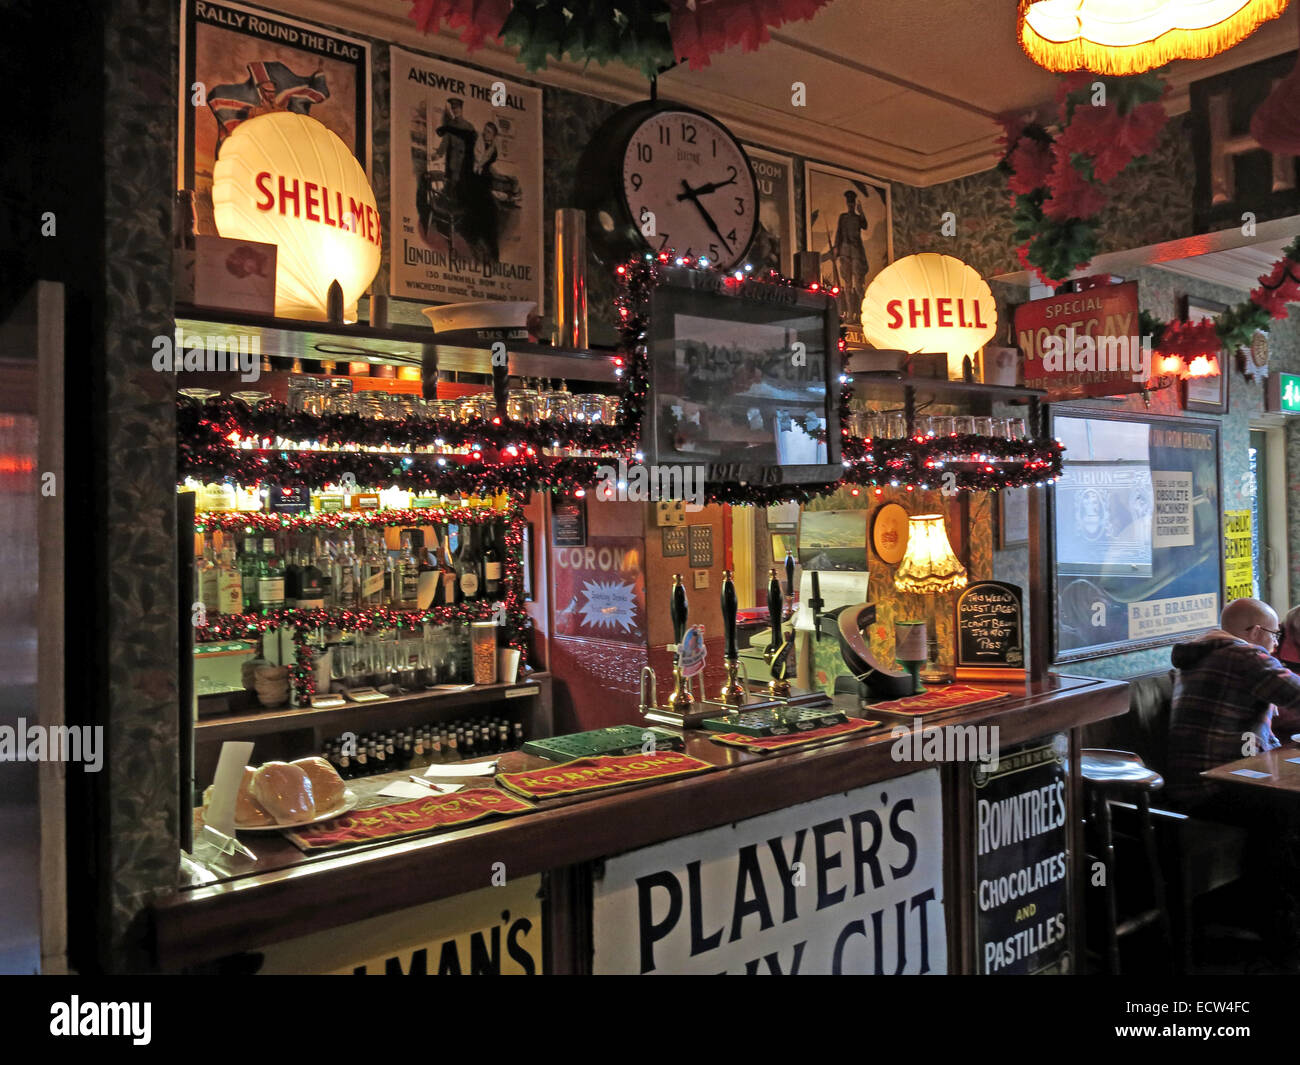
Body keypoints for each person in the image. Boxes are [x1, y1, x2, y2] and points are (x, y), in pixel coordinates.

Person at [1167, 597, 1300, 963]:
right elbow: (1295, 694)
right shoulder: (1243, 655)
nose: (1276, 643)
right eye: (1274, 635)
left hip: (1193, 781)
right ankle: (1278, 931)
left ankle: (1270, 919)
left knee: (1282, 813)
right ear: (1255, 632)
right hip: (1213, 786)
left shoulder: (1204, 653)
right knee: (1284, 813)